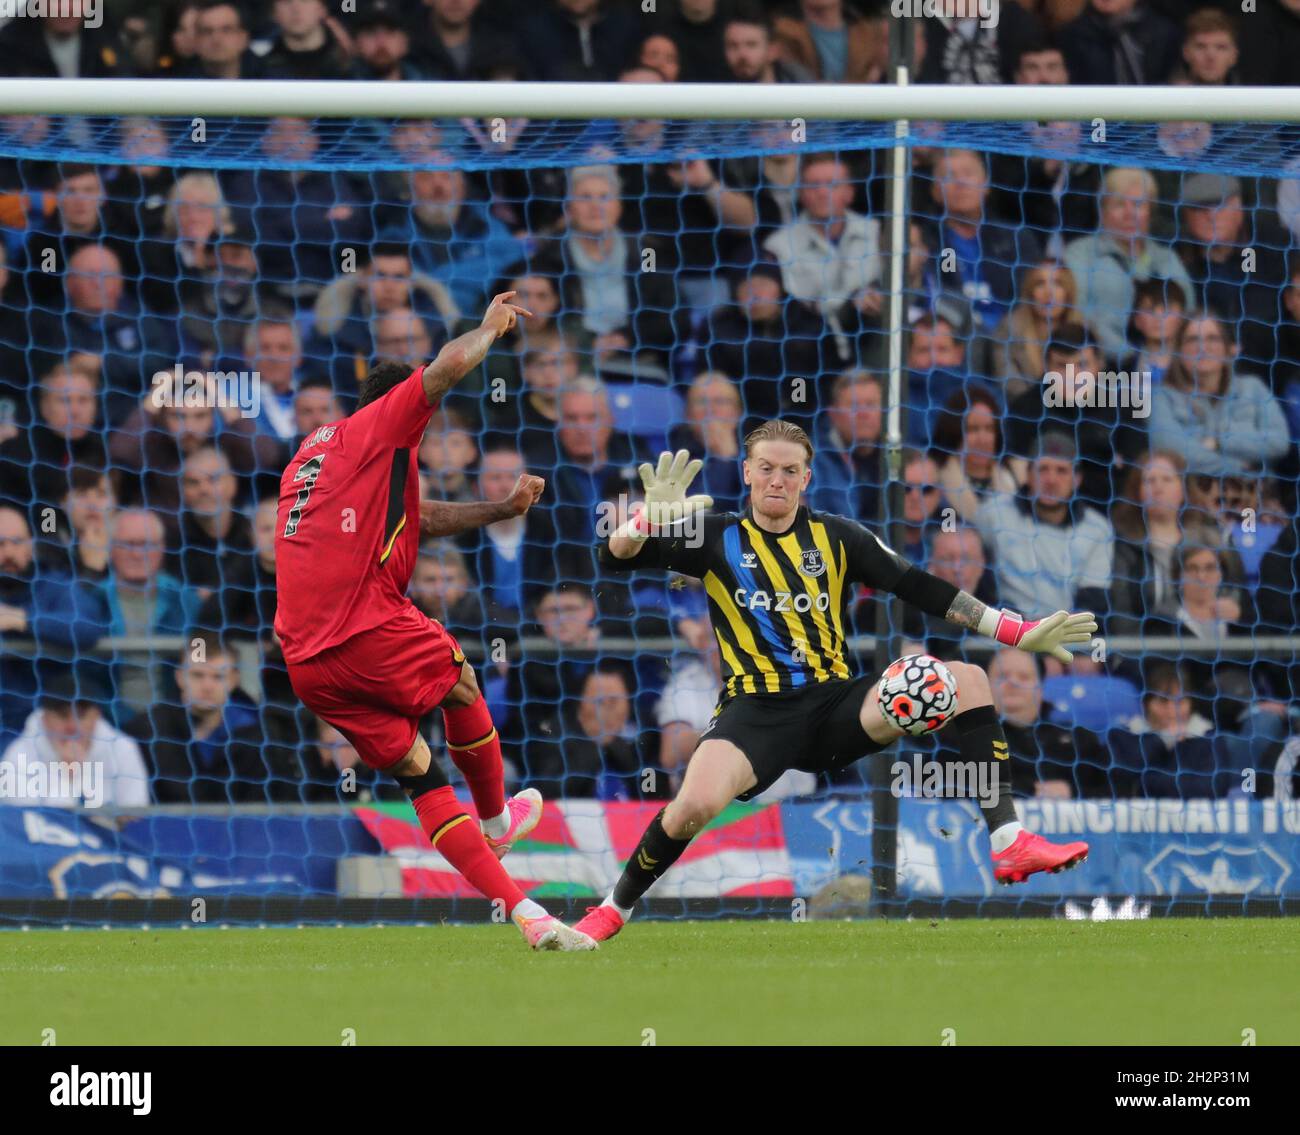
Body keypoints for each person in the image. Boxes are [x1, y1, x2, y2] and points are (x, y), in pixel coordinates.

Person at [571, 435, 1097, 943]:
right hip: (755, 712)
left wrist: (1016, 631)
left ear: (807, 476)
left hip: (838, 706)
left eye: (790, 470)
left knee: (969, 678)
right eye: (768, 469)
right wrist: (644, 519)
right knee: (692, 808)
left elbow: (920, 587)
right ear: (749, 472)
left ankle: (1009, 840)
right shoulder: (714, 535)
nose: (778, 480)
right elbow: (613, 559)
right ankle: (614, 909)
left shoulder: (839, 537)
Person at [273, 291, 594, 951]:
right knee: (464, 684)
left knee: (420, 771)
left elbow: (416, 513)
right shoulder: (381, 425)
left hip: (306, 664)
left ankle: (526, 913)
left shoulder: (316, 454)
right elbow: (445, 366)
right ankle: (500, 819)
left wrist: (498, 510)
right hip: (361, 626)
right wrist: (489, 328)